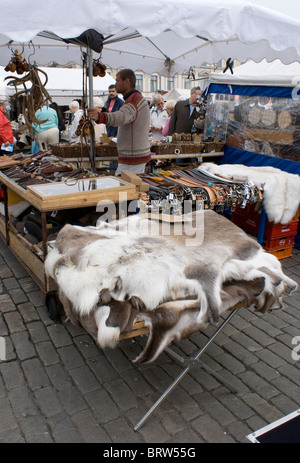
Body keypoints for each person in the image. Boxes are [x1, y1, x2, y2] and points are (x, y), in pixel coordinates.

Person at [88, 69, 150, 176]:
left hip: (134, 157)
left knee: (126, 189)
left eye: (117, 81)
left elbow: (121, 117)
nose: (115, 84)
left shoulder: (134, 100)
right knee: (123, 187)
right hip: (131, 156)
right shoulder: (132, 99)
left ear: (127, 81)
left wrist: (100, 116)